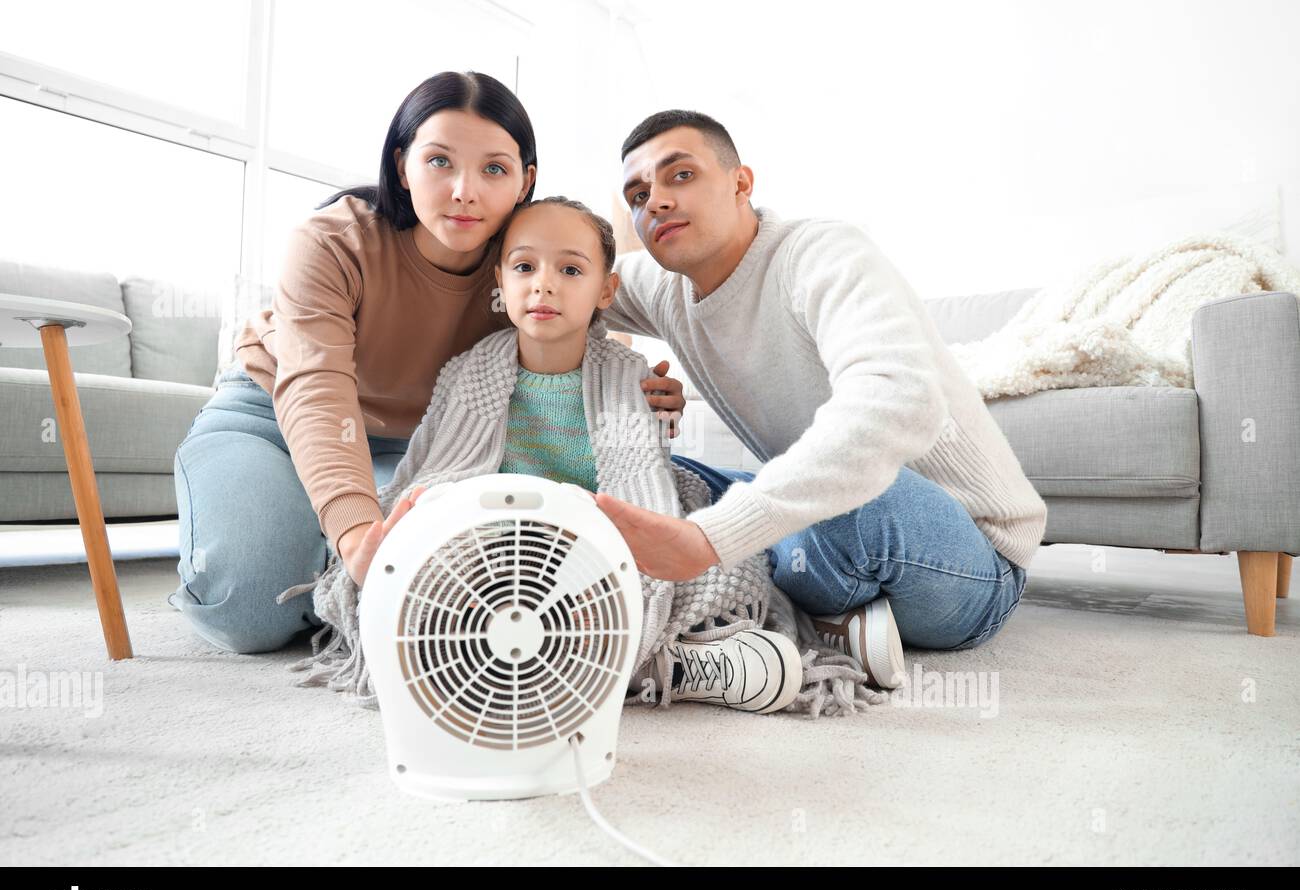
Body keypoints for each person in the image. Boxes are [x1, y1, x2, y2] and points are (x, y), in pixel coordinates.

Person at [166, 72, 685, 655]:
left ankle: (301, 533)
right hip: (272, 417)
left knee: (462, 577)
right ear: (402, 163)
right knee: (254, 608)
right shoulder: (333, 240)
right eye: (440, 161)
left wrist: (641, 392)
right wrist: (355, 531)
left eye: (493, 168)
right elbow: (316, 390)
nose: (465, 190)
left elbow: (596, 312)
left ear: (525, 181)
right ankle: (254, 529)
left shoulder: (522, 261)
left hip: (416, 446)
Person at [287, 196, 810, 715]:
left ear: (606, 289)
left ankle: (655, 659)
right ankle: (644, 666)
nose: (544, 284)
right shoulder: (469, 371)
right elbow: (439, 475)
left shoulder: (631, 377)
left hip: (593, 544)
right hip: (498, 543)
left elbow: (641, 488)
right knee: (423, 576)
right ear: (500, 281)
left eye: (570, 269)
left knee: (716, 565)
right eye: (524, 267)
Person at [591, 110, 1047, 676]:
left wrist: (710, 538)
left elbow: (895, 401)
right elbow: (544, 293)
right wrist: (620, 378)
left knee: (858, 499)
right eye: (637, 193)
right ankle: (787, 615)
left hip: (968, 555)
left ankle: (763, 614)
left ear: (741, 184)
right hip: (819, 526)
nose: (654, 202)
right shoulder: (662, 287)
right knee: (645, 478)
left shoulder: (822, 253)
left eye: (679, 175)